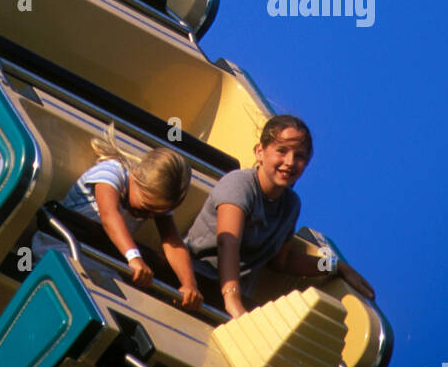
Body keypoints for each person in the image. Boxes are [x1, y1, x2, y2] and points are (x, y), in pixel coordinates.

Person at [184, 115, 375, 318]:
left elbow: (281, 262)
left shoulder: (291, 205)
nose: (290, 162)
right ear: (260, 152)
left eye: (300, 156)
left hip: (231, 299)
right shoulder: (240, 184)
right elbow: (227, 243)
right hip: (196, 278)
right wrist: (232, 300)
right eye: (281, 151)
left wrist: (334, 266)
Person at [36, 125, 202, 308]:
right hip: (61, 246)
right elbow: (110, 215)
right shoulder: (111, 173)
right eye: (147, 208)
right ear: (138, 178)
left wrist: (189, 284)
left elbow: (173, 243)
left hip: (101, 263)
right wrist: (134, 257)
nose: (149, 216)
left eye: (157, 214)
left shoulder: (155, 203)